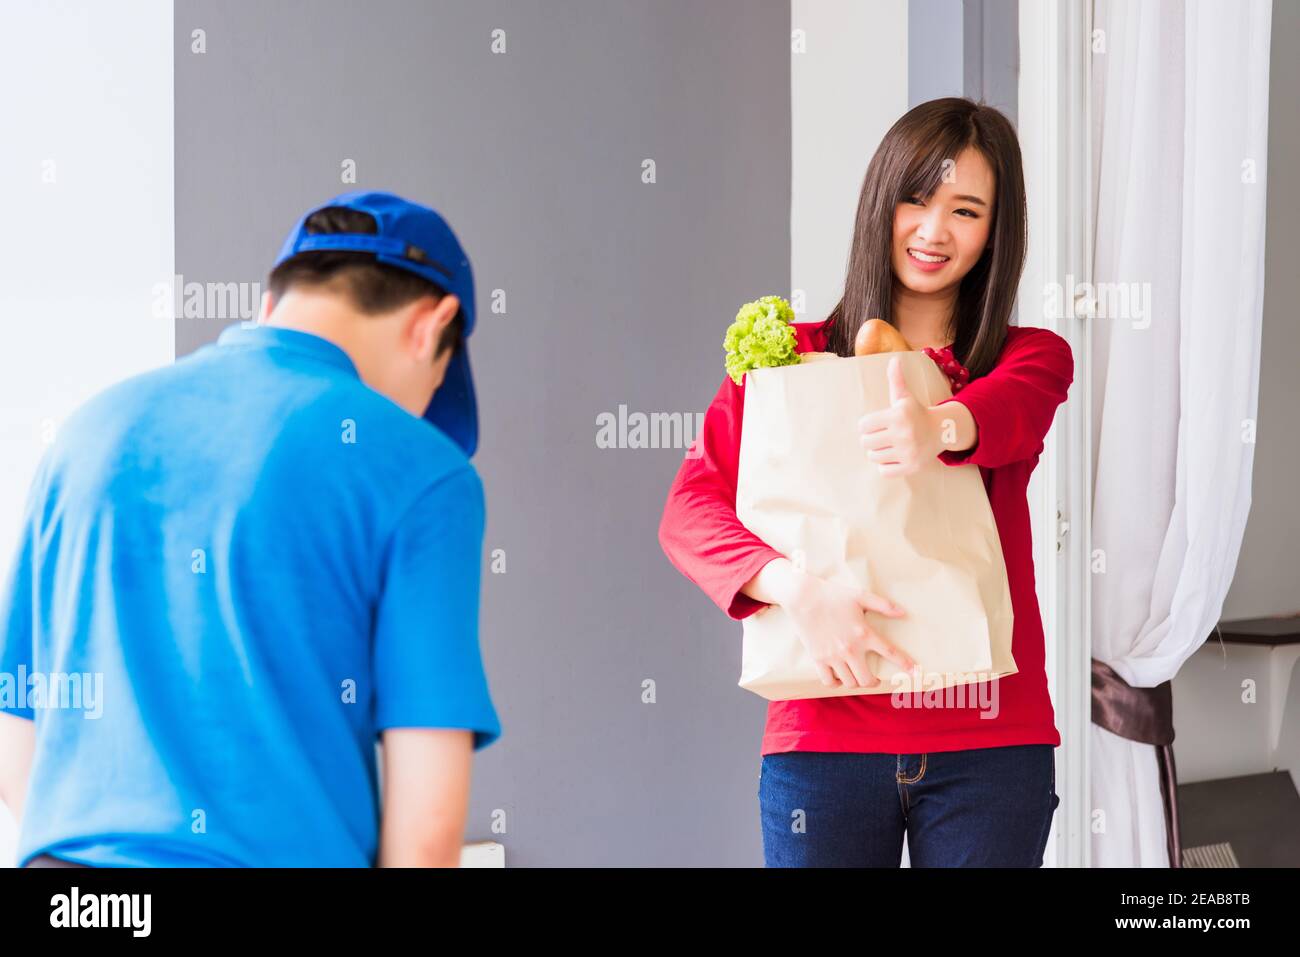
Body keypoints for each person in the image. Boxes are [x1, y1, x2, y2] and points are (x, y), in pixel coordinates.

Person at [0, 190, 500, 867]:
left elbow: (17, 737)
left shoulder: (86, 435)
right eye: (437, 380)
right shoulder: (421, 470)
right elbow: (427, 830)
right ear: (431, 326)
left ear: (272, 304)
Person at [658, 99, 1071, 867]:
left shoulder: (1029, 358)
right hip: (823, 735)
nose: (933, 229)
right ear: (882, 200)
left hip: (991, 739)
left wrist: (939, 426)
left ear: (995, 230)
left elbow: (1009, 413)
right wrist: (799, 592)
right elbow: (689, 510)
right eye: (916, 197)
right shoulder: (790, 361)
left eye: (967, 209)